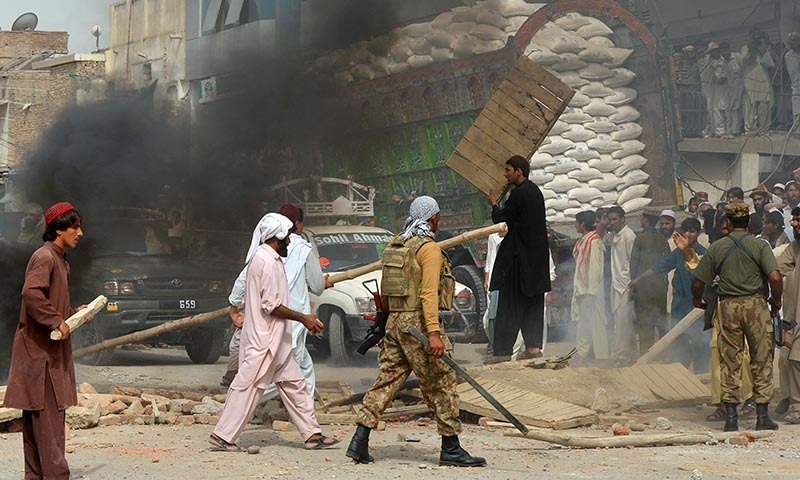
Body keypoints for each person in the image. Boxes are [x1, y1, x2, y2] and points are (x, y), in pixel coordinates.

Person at [346, 196, 486, 467]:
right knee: (442, 382)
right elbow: (428, 295)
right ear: (433, 218)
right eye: (438, 217)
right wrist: (433, 333)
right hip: (419, 323)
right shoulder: (428, 250)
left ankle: (359, 439)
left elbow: (386, 291)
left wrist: (387, 325)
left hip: (396, 323)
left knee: (386, 382)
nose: (438, 221)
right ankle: (451, 448)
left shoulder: (395, 246)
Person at [209, 213, 337, 452]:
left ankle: (312, 434)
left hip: (277, 341)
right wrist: (304, 318)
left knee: (295, 384)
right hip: (264, 341)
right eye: (287, 237)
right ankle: (223, 435)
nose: (290, 241)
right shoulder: (266, 262)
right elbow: (272, 306)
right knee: (247, 387)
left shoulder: (269, 257)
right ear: (276, 238)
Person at [3, 202, 91, 480]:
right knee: (48, 424)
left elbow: (54, 305)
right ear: (58, 229)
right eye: (74, 227)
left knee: (41, 423)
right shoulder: (45, 257)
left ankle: (38, 475)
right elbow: (32, 294)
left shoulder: (60, 260)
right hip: (39, 355)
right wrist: (56, 321)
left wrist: (75, 315)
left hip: (48, 354)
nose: (80, 233)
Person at [691, 203, 782, 431]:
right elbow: (775, 277)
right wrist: (776, 301)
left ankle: (731, 417)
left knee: (729, 360)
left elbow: (698, 282)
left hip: (728, 306)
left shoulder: (716, 248)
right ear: (749, 222)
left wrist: (696, 301)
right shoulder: (760, 245)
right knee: (761, 359)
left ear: (729, 223)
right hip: (756, 305)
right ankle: (762, 416)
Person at [486, 155, 551, 360]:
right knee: (532, 310)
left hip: (518, 265)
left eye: (508, 170)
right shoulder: (535, 192)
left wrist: (494, 204)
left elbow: (501, 221)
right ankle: (533, 349)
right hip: (535, 267)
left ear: (519, 171)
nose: (505, 175)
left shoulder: (518, 195)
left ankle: (502, 355)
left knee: (508, 310)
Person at [633, 218, 710, 372]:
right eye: (685, 231)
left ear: (698, 232)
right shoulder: (677, 253)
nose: (688, 234)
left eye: (692, 231)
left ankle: (701, 378)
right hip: (680, 306)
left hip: (698, 309)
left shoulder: (705, 254)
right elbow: (660, 267)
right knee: (679, 345)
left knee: (700, 346)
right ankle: (680, 376)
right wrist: (637, 280)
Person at [571, 210, 609, 366]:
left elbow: (595, 268)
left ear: (581, 224)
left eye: (576, 222)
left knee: (597, 322)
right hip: (582, 288)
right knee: (583, 322)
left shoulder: (594, 241)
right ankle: (582, 353)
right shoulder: (583, 240)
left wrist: (591, 292)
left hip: (592, 290)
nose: (575, 225)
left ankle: (602, 357)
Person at [629, 212, 669, 355]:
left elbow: (634, 262)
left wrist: (633, 284)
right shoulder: (662, 238)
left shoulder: (640, 238)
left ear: (645, 220)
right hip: (660, 287)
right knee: (661, 320)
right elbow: (667, 261)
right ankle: (663, 354)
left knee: (645, 322)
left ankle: (646, 355)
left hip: (643, 287)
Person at [775, 207, 800, 424]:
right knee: (788, 359)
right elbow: (777, 269)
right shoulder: (795, 248)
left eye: (799, 220)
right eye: (793, 220)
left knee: (794, 360)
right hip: (795, 317)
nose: (795, 224)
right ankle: (791, 400)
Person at [606, 206, 637, 364]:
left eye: (615, 219)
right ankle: (624, 353)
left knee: (624, 322)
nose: (612, 222)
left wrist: (632, 285)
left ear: (623, 219)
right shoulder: (615, 235)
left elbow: (633, 261)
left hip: (625, 285)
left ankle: (623, 356)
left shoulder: (628, 236)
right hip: (616, 284)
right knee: (619, 320)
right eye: (610, 220)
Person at [742, 35, 775, 133]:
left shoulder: (764, 47)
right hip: (750, 81)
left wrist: (762, 49)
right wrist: (752, 49)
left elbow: (771, 64)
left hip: (763, 81)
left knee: (764, 106)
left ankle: (763, 129)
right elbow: (746, 61)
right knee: (750, 107)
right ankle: (750, 129)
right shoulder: (745, 48)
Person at [482, 230, 505, 358]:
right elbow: (490, 258)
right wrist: (487, 279)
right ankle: (493, 344)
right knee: (492, 315)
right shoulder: (493, 236)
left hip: (510, 279)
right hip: (496, 281)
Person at [784, 32, 800, 127]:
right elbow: (793, 74)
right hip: (796, 86)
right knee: (797, 110)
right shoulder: (788, 56)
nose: (793, 44)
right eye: (791, 42)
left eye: (795, 41)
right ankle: (798, 129)